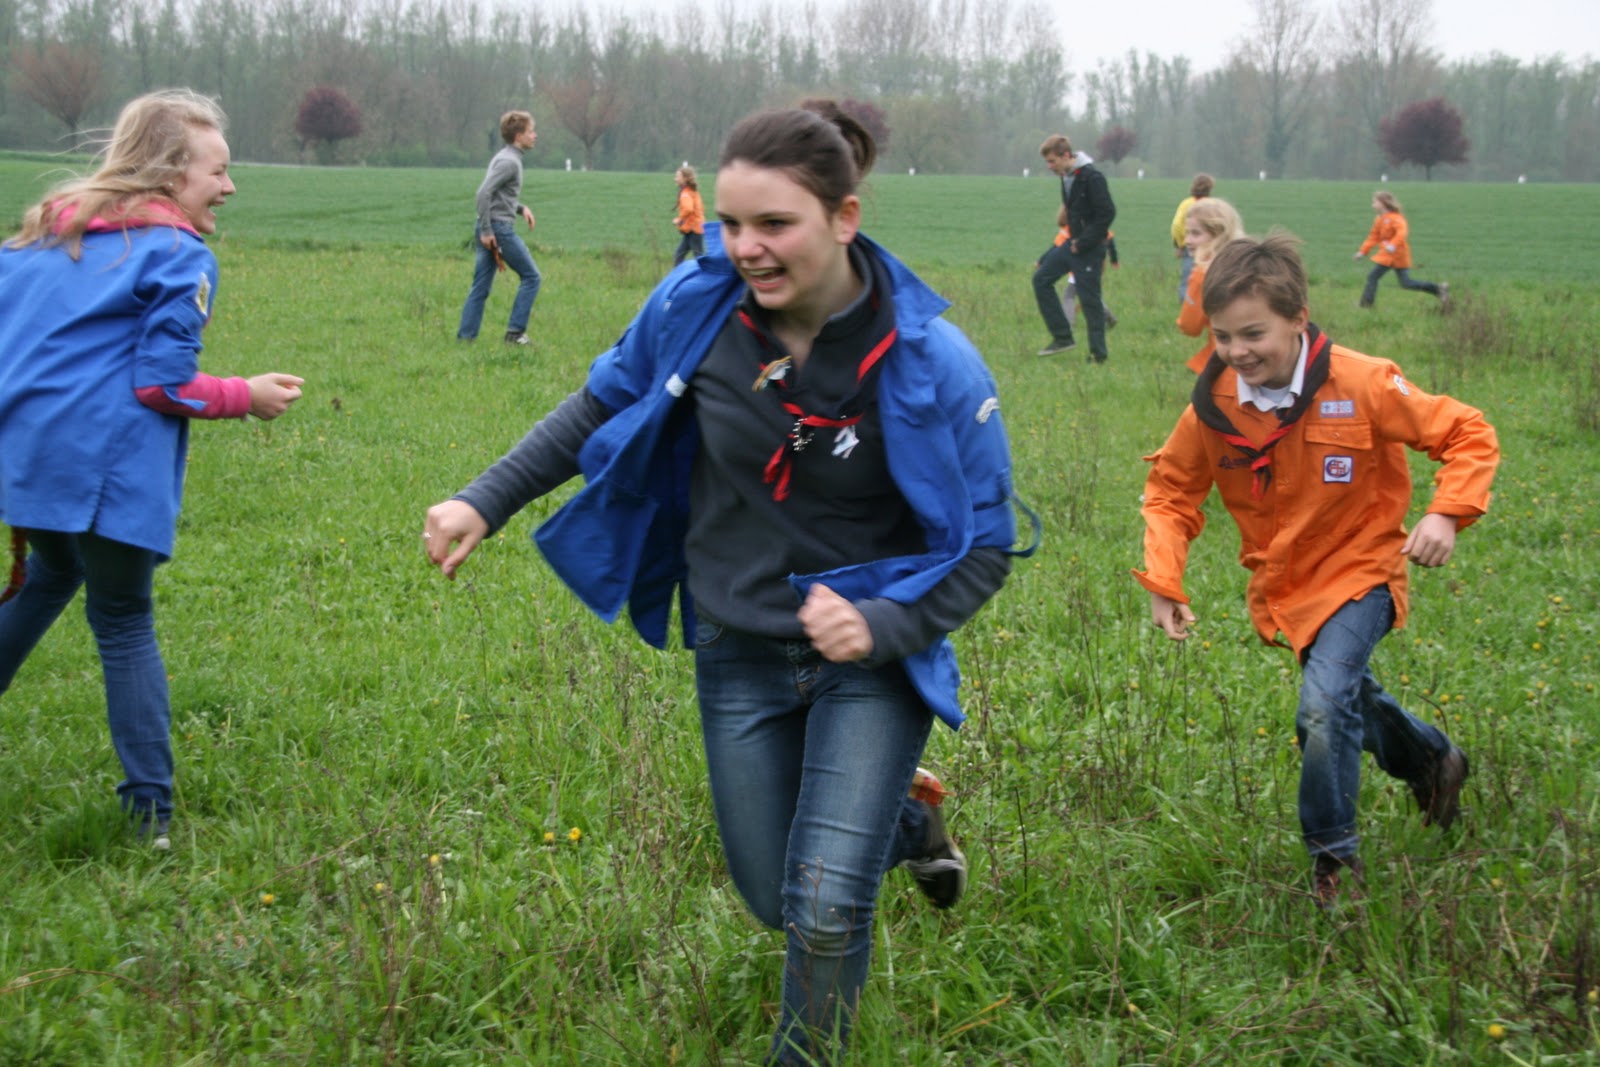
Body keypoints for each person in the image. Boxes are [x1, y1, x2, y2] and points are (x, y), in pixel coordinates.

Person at [424, 100, 1033, 1063]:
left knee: (826, 904)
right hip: (738, 645)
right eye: (733, 224)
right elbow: (601, 403)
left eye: (775, 224)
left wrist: (881, 623)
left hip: (869, 656)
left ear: (845, 218)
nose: (746, 247)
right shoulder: (695, 307)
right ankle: (909, 817)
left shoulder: (930, 361)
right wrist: (484, 499)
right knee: (772, 895)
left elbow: (990, 544)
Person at [1133, 233, 1498, 908]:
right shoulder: (1214, 406)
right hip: (1288, 588)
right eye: (1222, 336)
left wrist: (1447, 512)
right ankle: (1432, 761)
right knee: (1341, 701)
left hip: (1364, 572)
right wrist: (1164, 579)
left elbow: (1466, 431)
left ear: (1298, 318)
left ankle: (1334, 863)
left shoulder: (1363, 382)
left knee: (1324, 706)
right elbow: (1171, 491)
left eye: (1253, 333)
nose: (1238, 352)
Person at [0, 89, 304, 848]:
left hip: (23, 462)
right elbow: (161, 384)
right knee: (124, 620)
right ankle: (151, 817)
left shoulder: (37, 239)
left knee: (49, 573)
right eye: (218, 171)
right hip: (102, 474)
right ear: (171, 175)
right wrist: (249, 395)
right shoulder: (176, 254)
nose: (229, 187)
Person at [457, 110, 541, 346]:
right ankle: (515, 334)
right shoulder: (509, 162)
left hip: (491, 226)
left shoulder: (506, 157)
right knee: (532, 277)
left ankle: (465, 339)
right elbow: (483, 193)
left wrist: (520, 208)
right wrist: (487, 231)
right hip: (498, 230)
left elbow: (499, 196)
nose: (535, 136)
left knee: (480, 287)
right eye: (530, 132)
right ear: (518, 135)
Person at [1031, 135, 1116, 362]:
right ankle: (1062, 337)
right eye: (1048, 162)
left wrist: (1084, 242)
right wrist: (1049, 254)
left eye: (1052, 161)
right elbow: (1071, 217)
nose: (1050, 167)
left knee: (1090, 302)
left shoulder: (1092, 177)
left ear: (1066, 156)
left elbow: (1107, 213)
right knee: (1041, 279)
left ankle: (1098, 355)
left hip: (1090, 248)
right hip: (1072, 245)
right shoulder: (1067, 177)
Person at [1175, 197, 1245, 373]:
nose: (1187, 241)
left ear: (1219, 234)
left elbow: (1190, 327)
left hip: (1225, 363)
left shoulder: (1203, 274)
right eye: (1187, 233)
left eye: (1196, 233)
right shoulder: (1247, 264)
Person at [1354, 190, 1450, 311]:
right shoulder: (1379, 219)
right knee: (1405, 283)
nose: (1372, 205)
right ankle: (1439, 289)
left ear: (1383, 203)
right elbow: (1373, 237)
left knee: (1376, 278)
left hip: (1397, 255)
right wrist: (1363, 252)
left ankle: (1366, 305)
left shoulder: (1396, 218)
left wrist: (1393, 245)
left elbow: (1402, 232)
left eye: (1375, 202)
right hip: (1387, 256)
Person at [1170, 173, 1215, 304]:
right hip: (1209, 247)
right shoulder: (1212, 205)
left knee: (1187, 278)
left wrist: (1180, 244)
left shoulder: (1186, 204)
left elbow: (1176, 226)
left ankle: (1186, 306)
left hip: (1188, 247)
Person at [671, 164, 706, 264]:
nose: (675, 179)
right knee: (679, 255)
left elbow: (688, 209)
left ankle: (705, 278)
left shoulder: (686, 193)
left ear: (685, 179)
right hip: (692, 229)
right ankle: (678, 277)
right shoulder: (691, 191)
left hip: (693, 229)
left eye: (678, 177)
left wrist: (679, 219)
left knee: (699, 258)